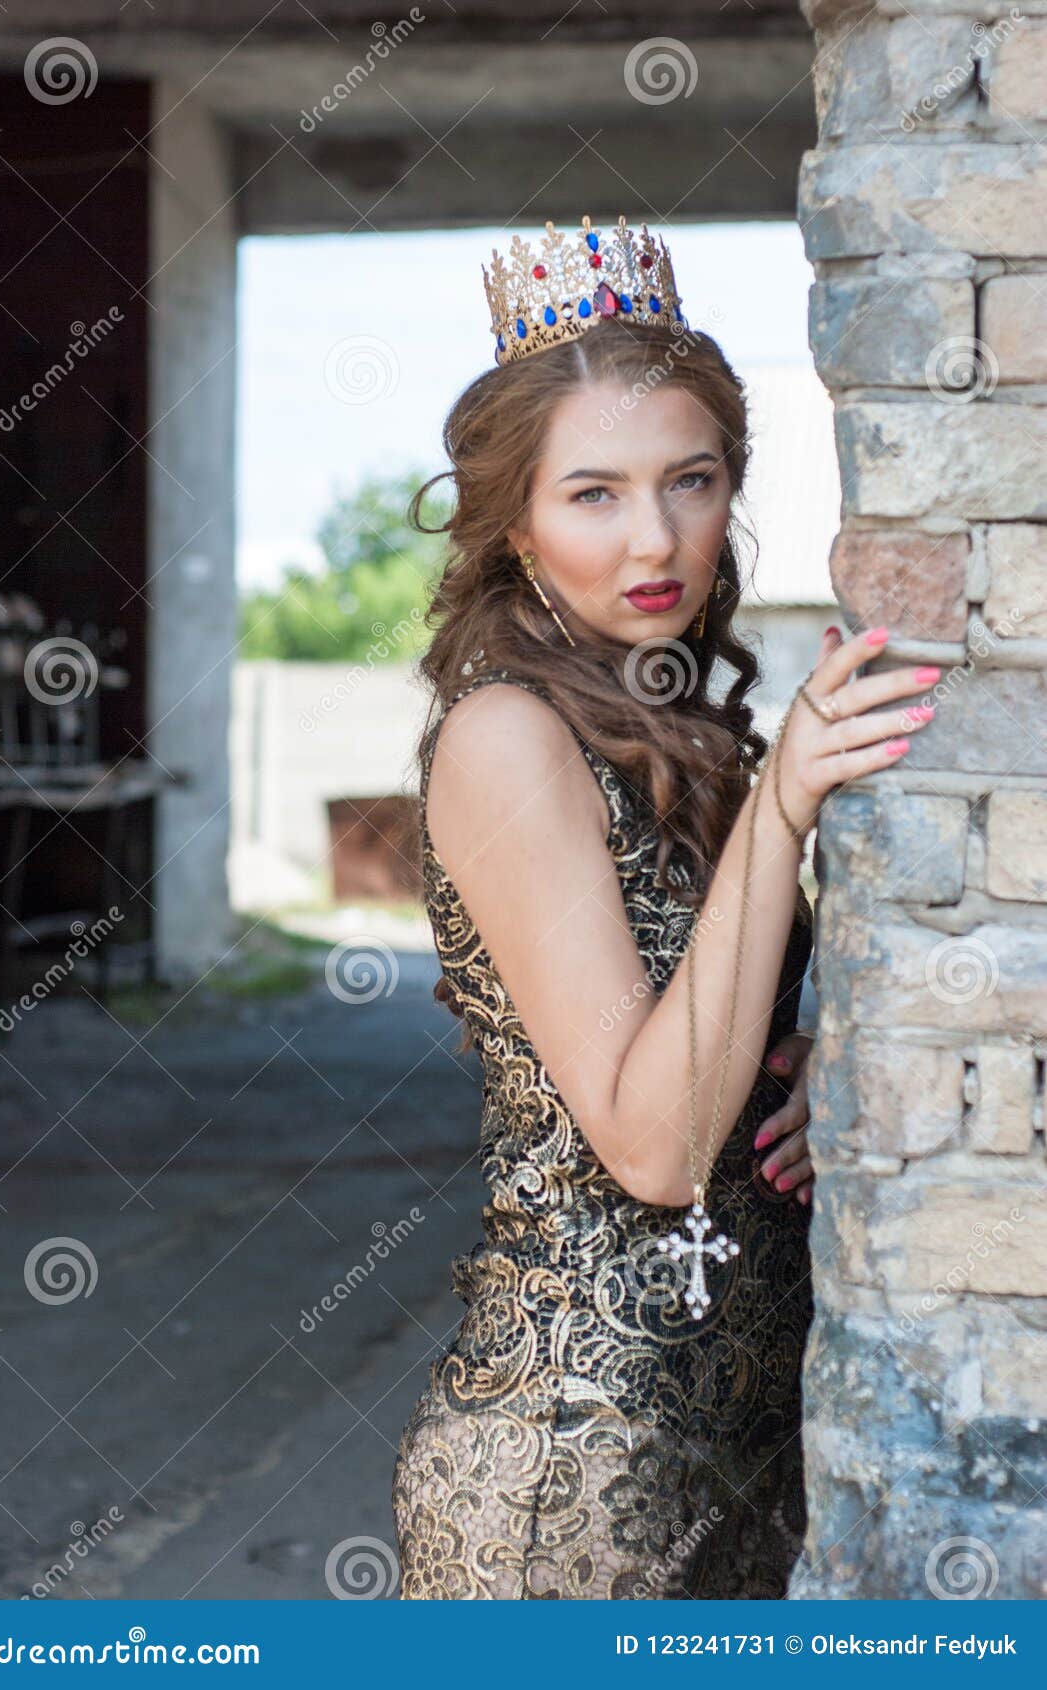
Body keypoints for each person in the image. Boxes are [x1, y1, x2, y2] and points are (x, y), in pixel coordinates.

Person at [390, 216, 939, 1600]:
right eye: (594, 494)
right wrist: (788, 797)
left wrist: (803, 1066)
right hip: (571, 1479)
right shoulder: (504, 736)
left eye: (691, 480)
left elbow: (700, 1031)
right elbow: (649, 1145)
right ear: (514, 521)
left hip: (742, 1450)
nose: (658, 536)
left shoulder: (683, 725)